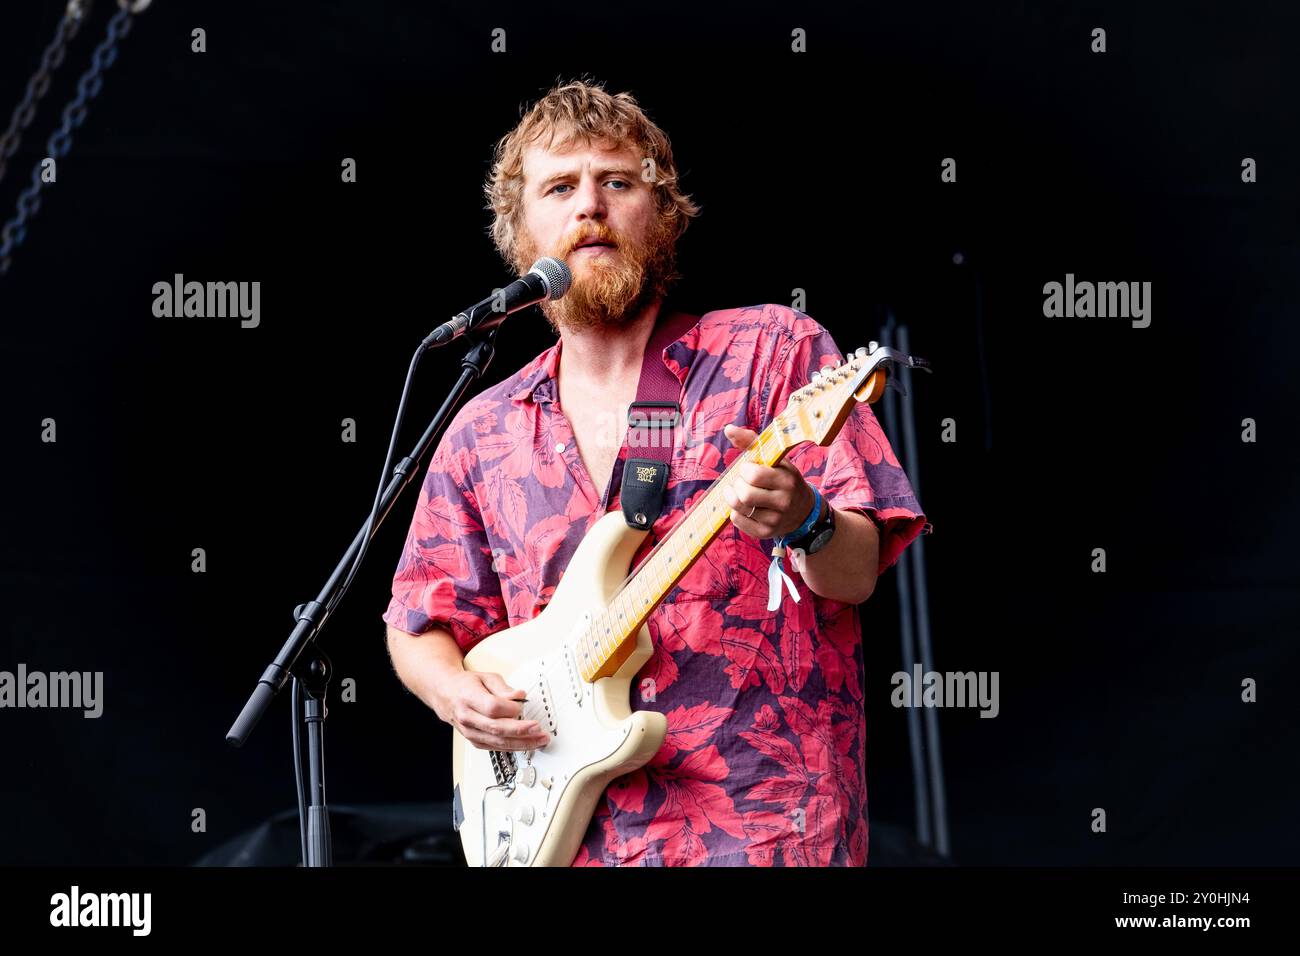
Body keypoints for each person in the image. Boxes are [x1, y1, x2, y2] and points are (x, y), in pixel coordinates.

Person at [383, 78, 928, 866]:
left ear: (664, 211)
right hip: (573, 838)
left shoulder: (772, 352)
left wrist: (805, 519)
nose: (589, 207)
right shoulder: (483, 429)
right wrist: (452, 692)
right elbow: (419, 621)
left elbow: (856, 575)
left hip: (764, 825)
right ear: (519, 229)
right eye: (560, 187)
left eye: (617, 182)